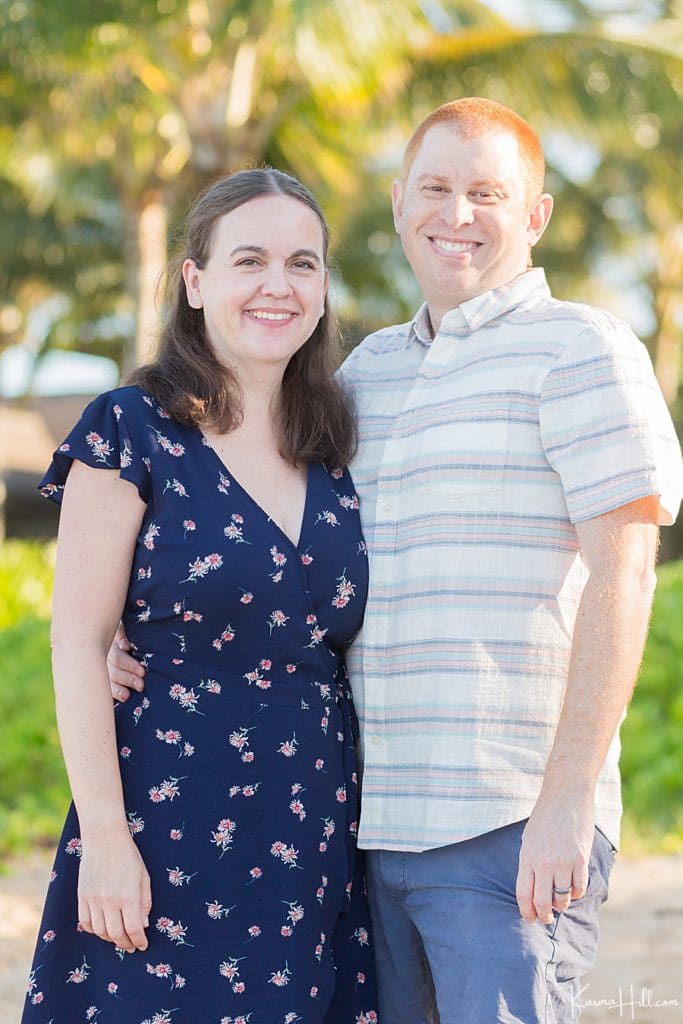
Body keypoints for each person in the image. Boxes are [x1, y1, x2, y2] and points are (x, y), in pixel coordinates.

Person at [109, 99, 683, 1024]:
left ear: (534, 215)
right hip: (362, 834)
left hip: (506, 827)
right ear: (398, 203)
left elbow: (625, 575)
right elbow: (261, 544)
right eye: (435, 188)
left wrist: (568, 800)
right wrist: (123, 629)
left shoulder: (582, 349)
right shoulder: (362, 376)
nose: (456, 214)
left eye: (487, 193)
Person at [23, 168, 378, 1024]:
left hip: (312, 827)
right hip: (165, 823)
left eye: (301, 263)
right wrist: (107, 837)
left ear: (323, 289)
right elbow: (78, 642)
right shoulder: (131, 428)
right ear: (194, 280)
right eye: (248, 260)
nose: (277, 285)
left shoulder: (337, 445)